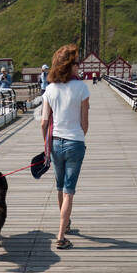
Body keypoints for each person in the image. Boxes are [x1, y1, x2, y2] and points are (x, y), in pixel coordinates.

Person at [40, 43, 89, 250]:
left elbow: (43, 122)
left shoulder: (50, 89)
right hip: (74, 142)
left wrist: (46, 148)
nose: (79, 66)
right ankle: (61, 236)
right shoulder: (82, 88)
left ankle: (65, 223)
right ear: (69, 66)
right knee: (69, 191)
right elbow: (84, 124)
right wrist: (77, 136)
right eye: (76, 63)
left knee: (60, 188)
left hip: (55, 143)